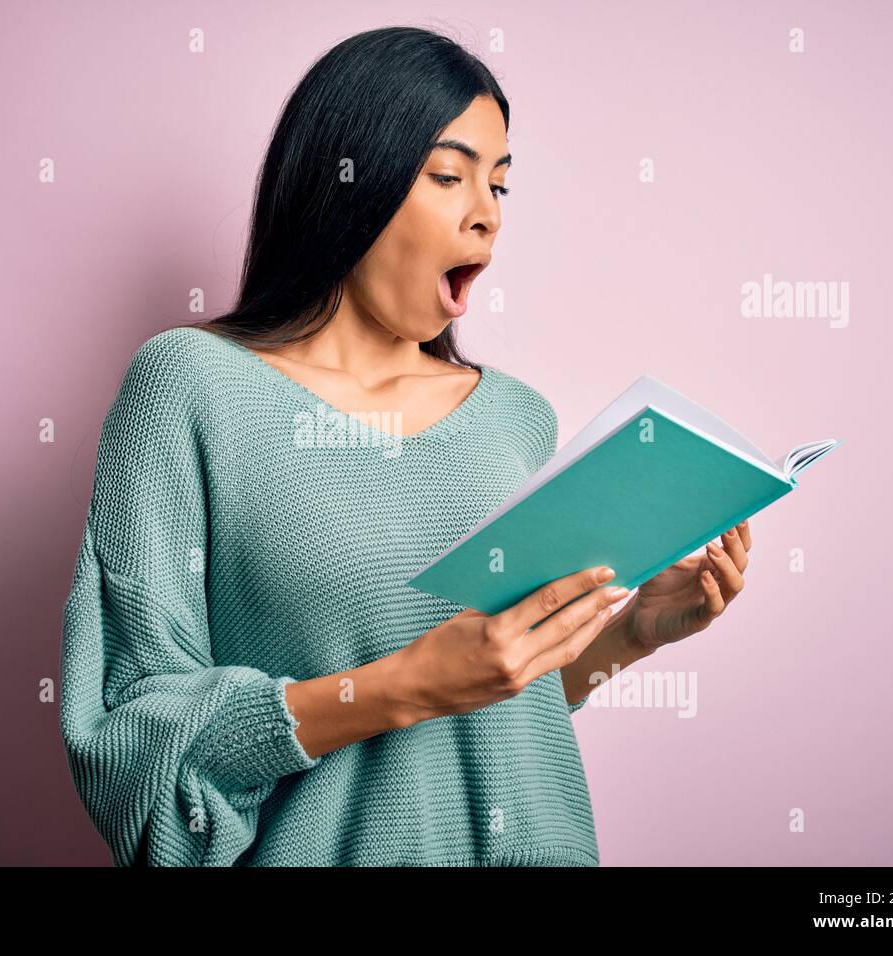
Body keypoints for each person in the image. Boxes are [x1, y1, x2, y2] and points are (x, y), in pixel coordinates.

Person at [59, 25, 752, 867]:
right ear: (348, 182)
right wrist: (398, 688)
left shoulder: (517, 420)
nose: (486, 213)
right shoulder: (189, 387)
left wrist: (631, 634)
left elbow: (503, 709)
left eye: (499, 185)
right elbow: (132, 736)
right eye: (449, 176)